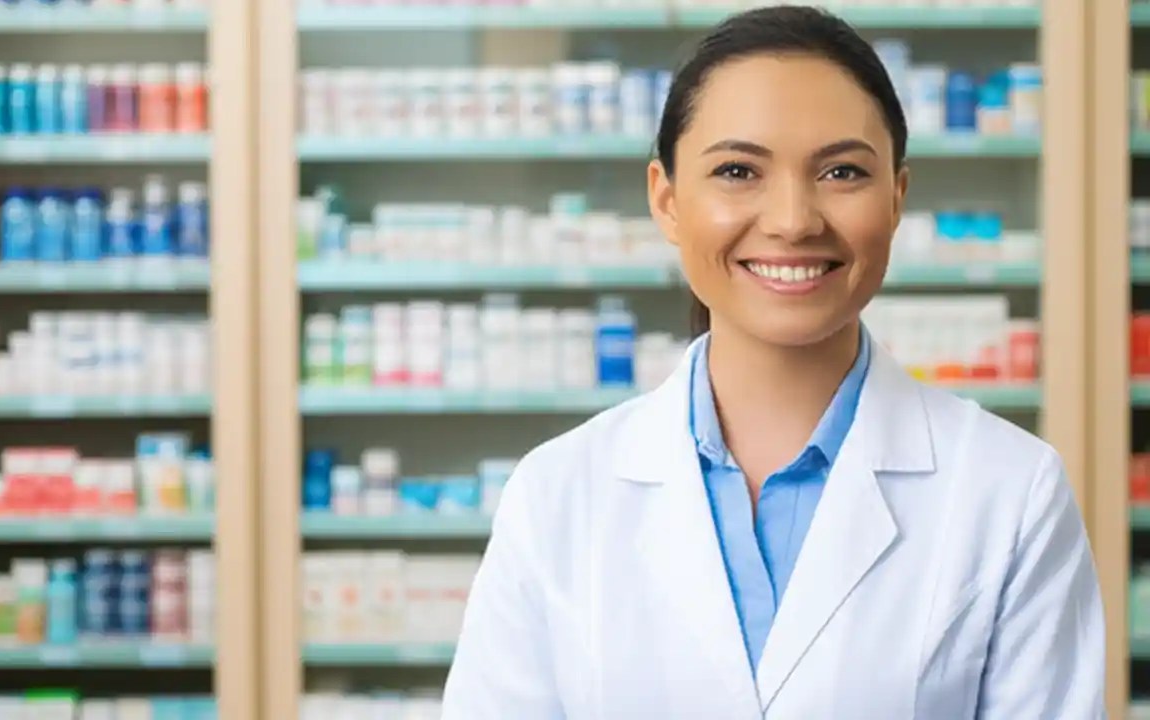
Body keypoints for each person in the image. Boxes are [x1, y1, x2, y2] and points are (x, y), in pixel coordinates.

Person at [440, 5, 1105, 719]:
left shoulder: (1009, 491)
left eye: (842, 171)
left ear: (897, 198)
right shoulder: (557, 496)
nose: (793, 220)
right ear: (666, 201)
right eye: (737, 170)